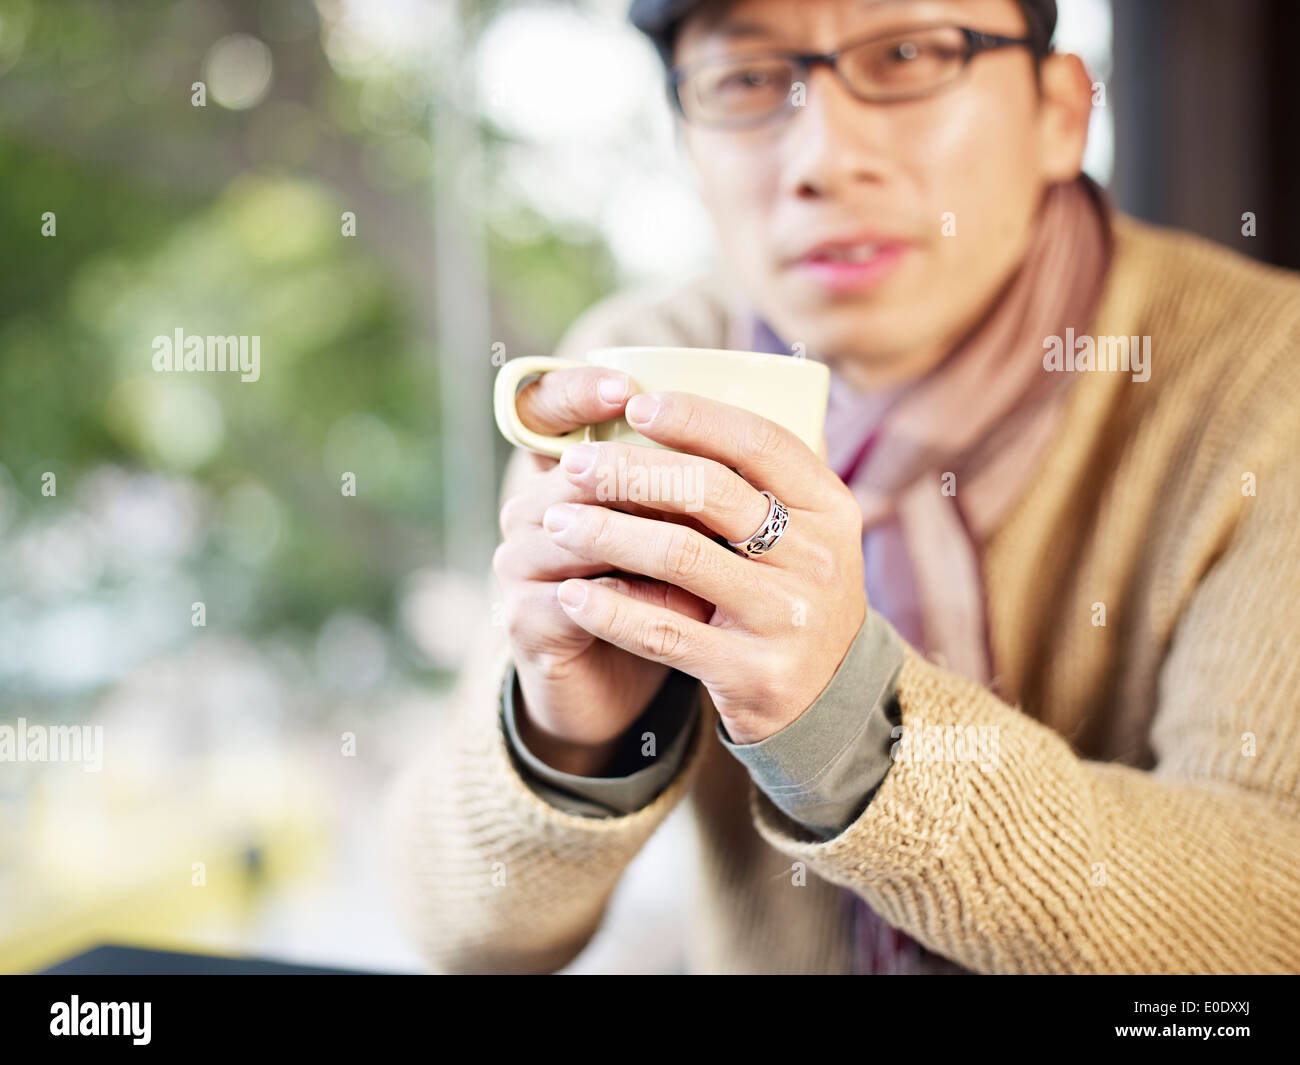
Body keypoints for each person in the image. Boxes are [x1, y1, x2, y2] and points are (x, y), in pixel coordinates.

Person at [382, 0, 1300, 974]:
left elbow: (1273, 915)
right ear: (687, 142)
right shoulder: (646, 366)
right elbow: (461, 930)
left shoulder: (1260, 378)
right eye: (744, 79)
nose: (820, 157)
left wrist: (850, 728)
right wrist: (570, 735)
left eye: (907, 53)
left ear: (1059, 114)